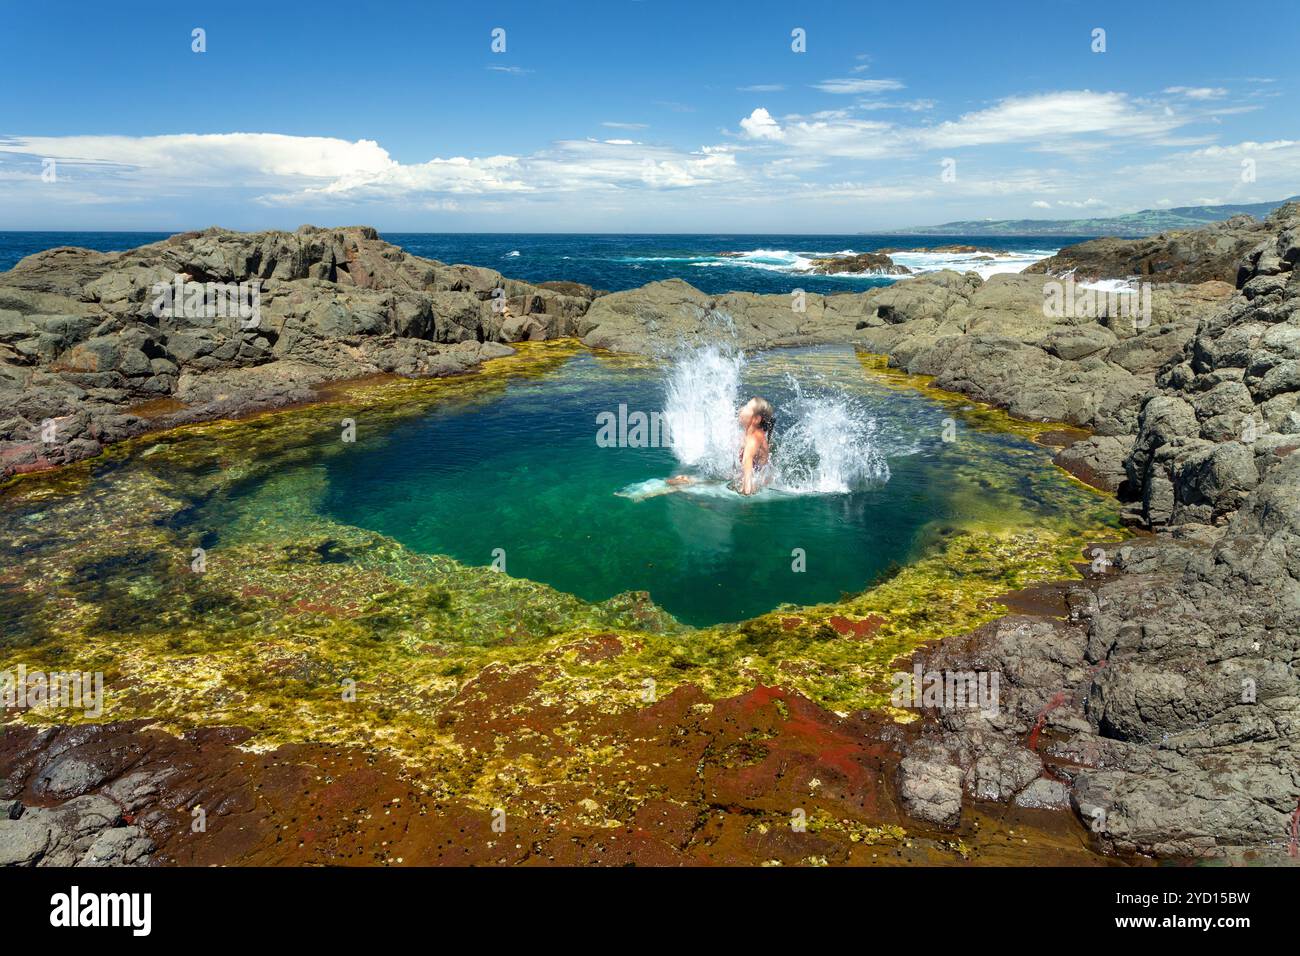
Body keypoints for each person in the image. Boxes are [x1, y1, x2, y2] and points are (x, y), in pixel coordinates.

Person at [665, 396, 774, 495]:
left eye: (747, 407)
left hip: (754, 482)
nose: (741, 408)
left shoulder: (753, 438)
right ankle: (692, 481)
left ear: (756, 419)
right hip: (747, 477)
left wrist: (746, 493)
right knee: (681, 480)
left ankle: (693, 482)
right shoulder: (749, 433)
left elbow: (747, 463)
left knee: (684, 482)